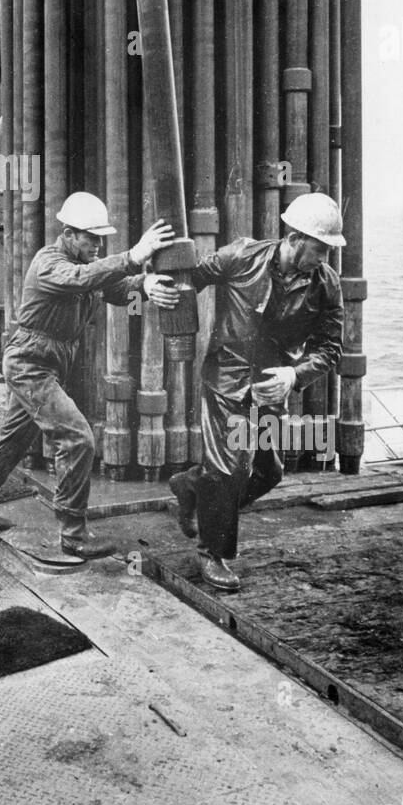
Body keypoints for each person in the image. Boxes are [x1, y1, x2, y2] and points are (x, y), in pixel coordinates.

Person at [0, 192, 179, 559]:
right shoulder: (49, 262)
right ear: (70, 234)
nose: (98, 244)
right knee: (78, 439)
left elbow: (114, 289)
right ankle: (73, 533)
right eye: (92, 237)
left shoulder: (84, 264)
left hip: (48, 364)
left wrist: (145, 285)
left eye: (101, 238)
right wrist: (133, 256)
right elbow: (80, 279)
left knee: (12, 442)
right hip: (30, 364)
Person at [167, 193, 345, 592]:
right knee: (230, 469)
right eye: (320, 249)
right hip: (226, 382)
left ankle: (193, 486)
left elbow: (330, 349)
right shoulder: (243, 256)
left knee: (269, 471)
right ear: (295, 238)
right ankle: (213, 553)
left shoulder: (326, 284)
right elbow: (190, 276)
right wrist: (157, 289)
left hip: (270, 387)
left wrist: (295, 376)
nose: (325, 259)